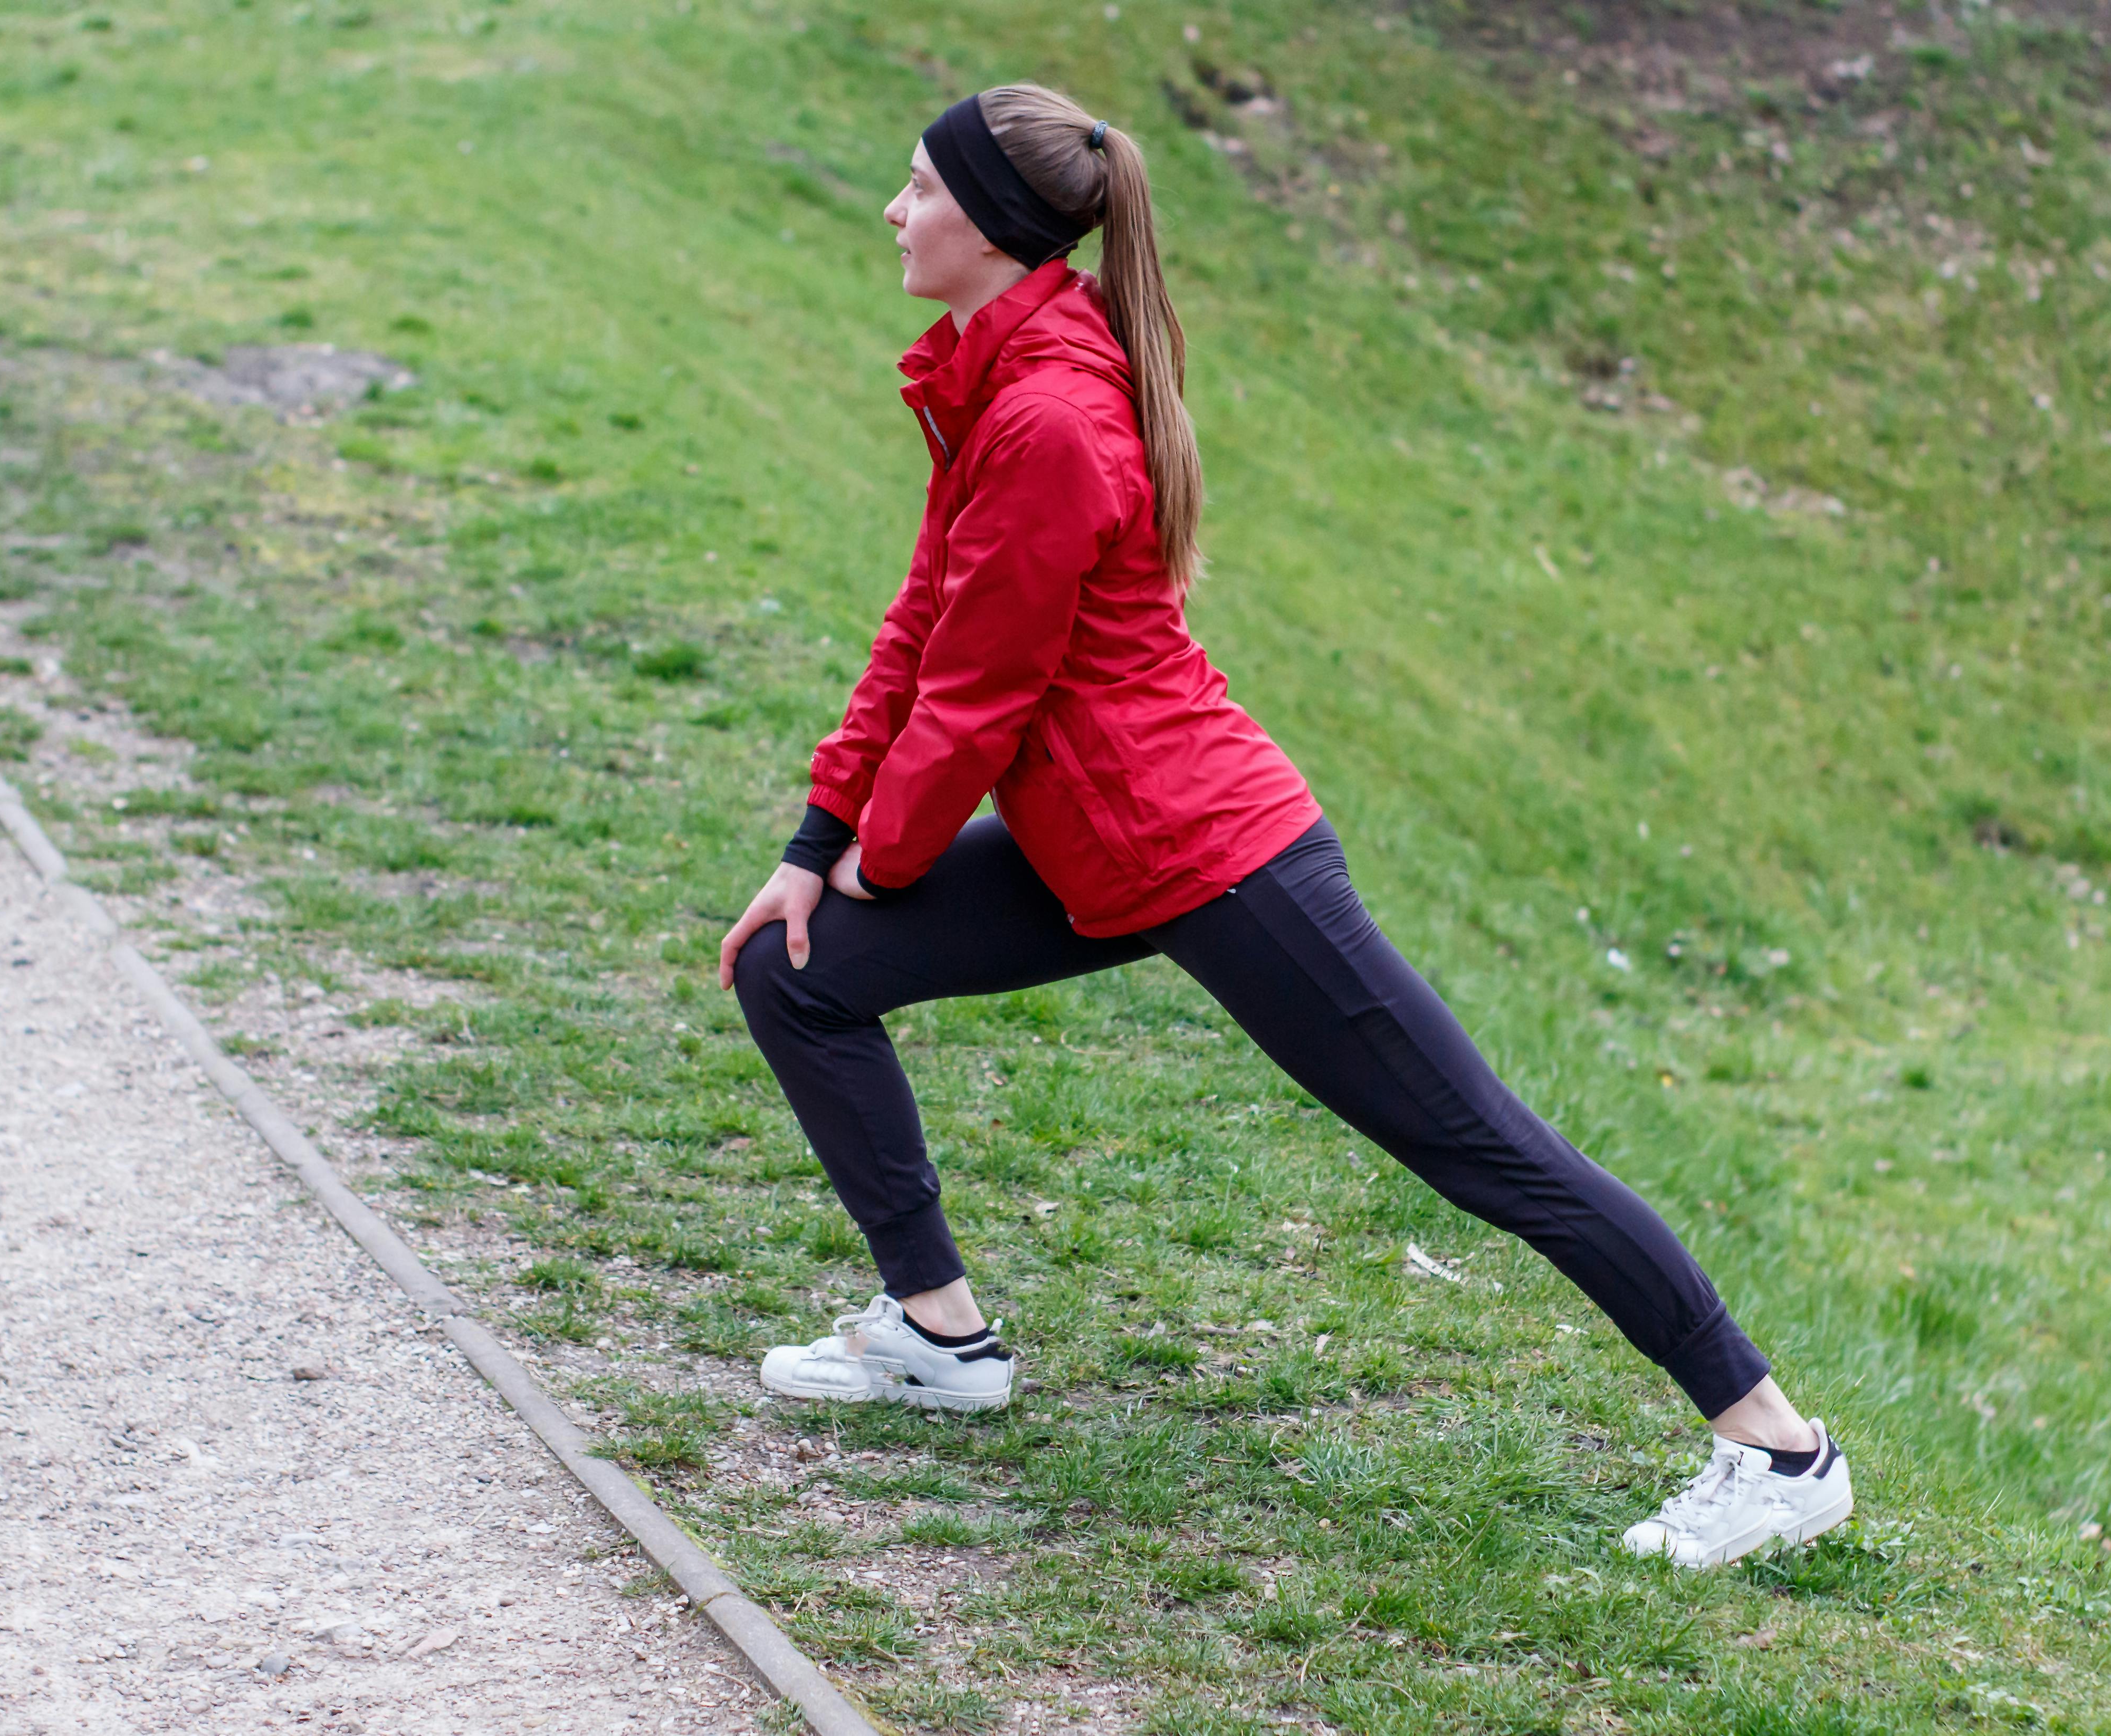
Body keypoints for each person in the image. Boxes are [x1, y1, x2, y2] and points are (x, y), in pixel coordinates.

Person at [715, 83, 1852, 1569]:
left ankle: (1777, 1446)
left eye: (917, 187)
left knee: (1476, 1145)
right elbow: (923, 620)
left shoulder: (1051, 412)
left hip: (1209, 852)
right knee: (794, 966)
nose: (893, 209)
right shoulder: (994, 374)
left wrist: (893, 851)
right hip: (1096, 846)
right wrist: (818, 844)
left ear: (991, 229)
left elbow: (980, 692)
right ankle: (936, 1335)